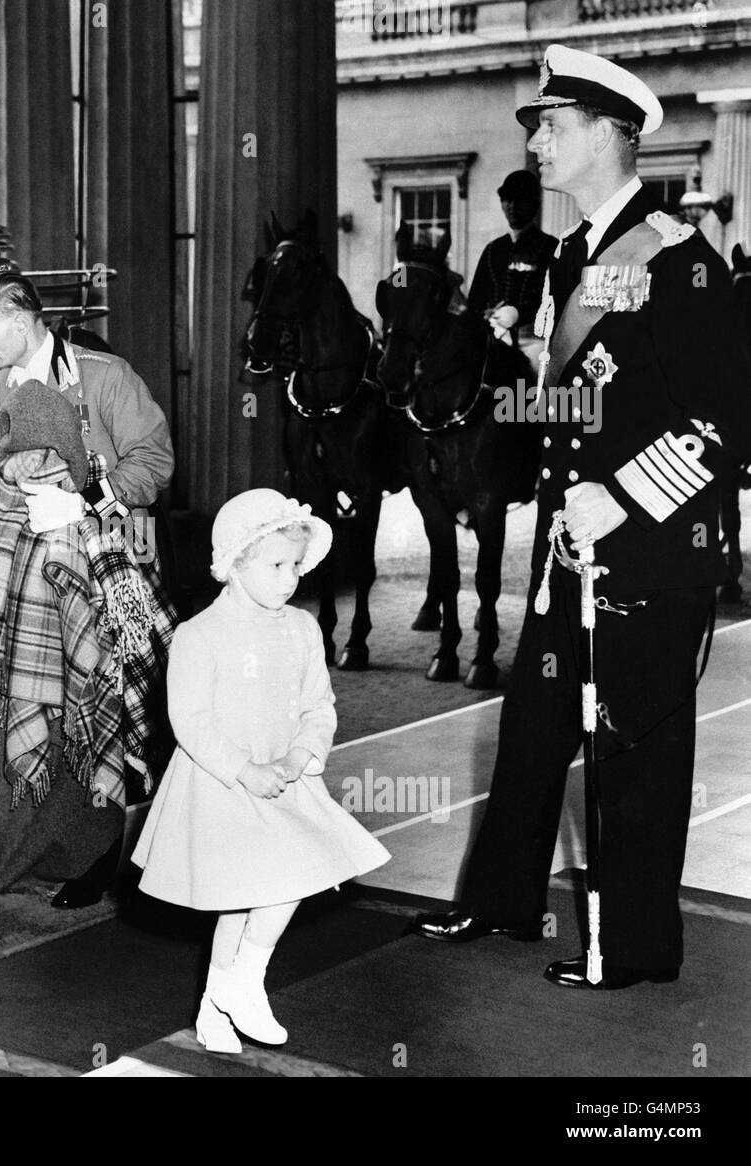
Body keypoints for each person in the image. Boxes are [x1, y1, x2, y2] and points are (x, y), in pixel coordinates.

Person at [409, 44, 751, 989]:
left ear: (611, 134)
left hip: (647, 552)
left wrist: (622, 495)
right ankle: (504, 901)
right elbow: (583, 405)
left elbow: (728, 422)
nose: (537, 142)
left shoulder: (678, 260)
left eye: (553, 126)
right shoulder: (570, 254)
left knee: (633, 749)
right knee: (534, 724)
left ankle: (635, 947)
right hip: (574, 547)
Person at [133, 489, 389, 1052]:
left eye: (296, 565)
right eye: (275, 565)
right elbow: (191, 721)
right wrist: (245, 769)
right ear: (234, 563)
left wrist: (302, 754)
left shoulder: (299, 629)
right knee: (242, 895)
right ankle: (225, 1000)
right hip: (223, 781)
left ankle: (236, 986)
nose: (289, 578)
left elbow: (319, 705)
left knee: (287, 876)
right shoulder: (198, 636)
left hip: (285, 778)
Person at [0, 272, 177, 908]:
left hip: (110, 567)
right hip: (35, 578)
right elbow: (6, 466)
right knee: (45, 713)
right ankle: (57, 845)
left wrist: (84, 497)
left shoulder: (106, 376)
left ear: (23, 321)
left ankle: (108, 853)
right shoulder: (3, 385)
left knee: (104, 708)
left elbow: (156, 461)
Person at [467, 168, 557, 370]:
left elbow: (556, 300)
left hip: (533, 339)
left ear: (535, 203)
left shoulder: (551, 248)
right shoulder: (493, 249)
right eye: (507, 199)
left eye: (520, 199)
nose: (512, 206)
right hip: (492, 334)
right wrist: (484, 313)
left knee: (540, 370)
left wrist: (518, 313)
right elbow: (475, 300)